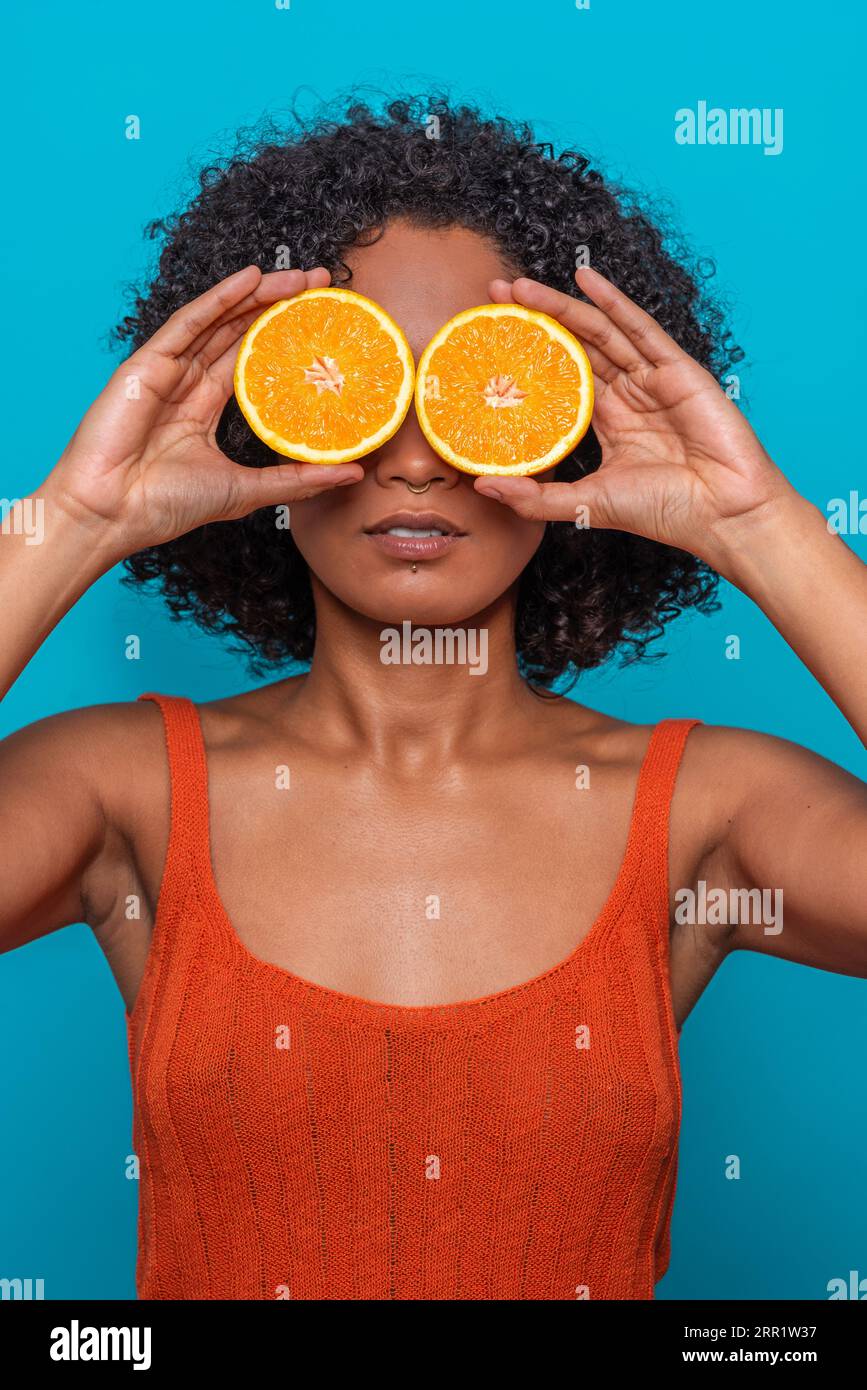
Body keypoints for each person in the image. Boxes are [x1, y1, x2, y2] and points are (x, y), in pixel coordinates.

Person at [2, 94, 865, 1301]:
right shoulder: (125, 789)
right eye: (354, 384)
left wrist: (759, 524)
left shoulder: (702, 810)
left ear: (570, 425)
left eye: (479, 387)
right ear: (260, 423)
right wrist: (75, 522)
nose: (414, 458)